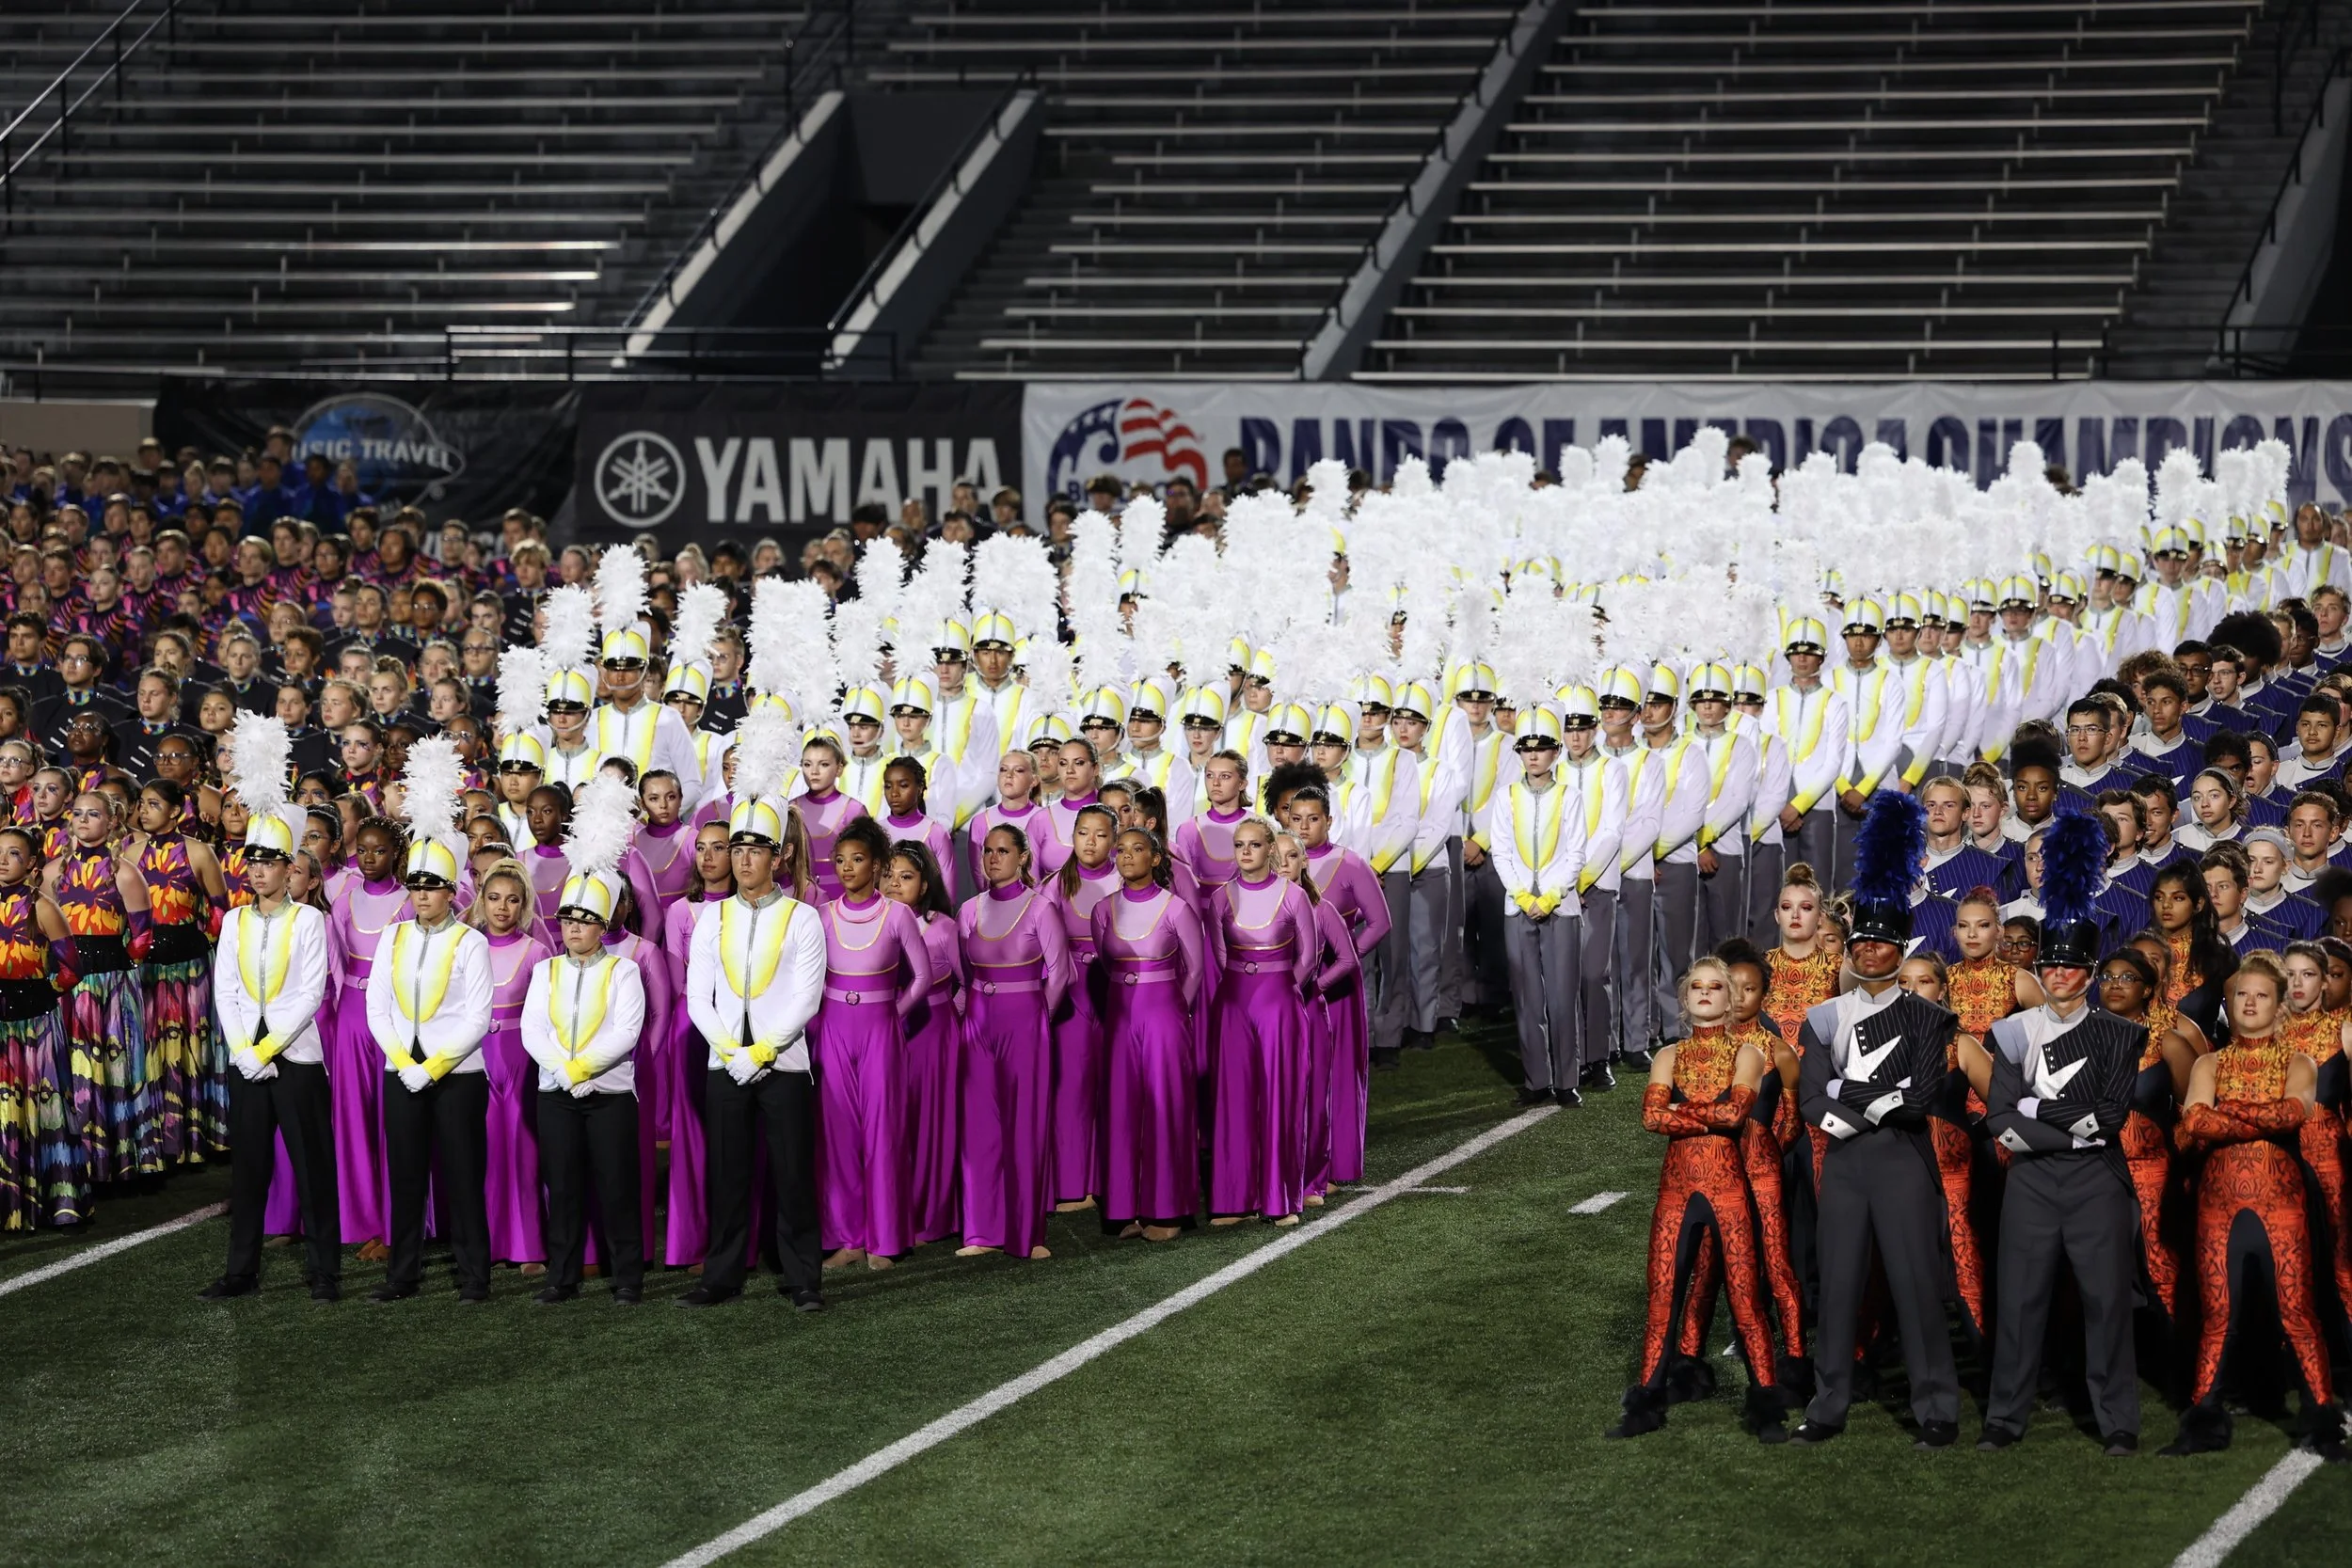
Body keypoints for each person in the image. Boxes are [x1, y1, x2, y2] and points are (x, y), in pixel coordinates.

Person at [1791, 792, 1963, 1448]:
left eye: (1882, 944)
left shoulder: (1929, 1016)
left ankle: (1937, 1407)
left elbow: (1920, 1095)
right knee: (1835, 1288)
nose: (1869, 952)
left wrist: (1848, 1094)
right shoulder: (1824, 1016)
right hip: (1846, 1163)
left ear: (1900, 949)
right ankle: (1828, 1402)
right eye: (1861, 942)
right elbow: (1810, 1097)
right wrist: (1863, 1102)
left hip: (1901, 1164)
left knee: (1917, 1286)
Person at [1977, 813, 2145, 1454]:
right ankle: (2005, 1417)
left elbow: (2109, 1117)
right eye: (2050, 964)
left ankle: (2118, 1421)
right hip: (2033, 1184)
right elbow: (1999, 1120)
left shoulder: (2121, 1032)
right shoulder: (2012, 1031)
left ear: (2092, 969)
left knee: (2106, 1303)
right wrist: (2064, 1126)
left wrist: (2038, 1116)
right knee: (2018, 1302)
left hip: (2096, 1183)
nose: (2058, 975)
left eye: (2072, 967)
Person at [2166, 954, 2345, 1456]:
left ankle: (2322, 1425)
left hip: (2281, 1202)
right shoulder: (2209, 1062)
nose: (2249, 1002)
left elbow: (2294, 1114)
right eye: (2242, 994)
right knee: (2218, 1314)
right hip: (2217, 1205)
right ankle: (2203, 1423)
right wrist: (2255, 1117)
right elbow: (2195, 1122)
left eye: (2261, 995)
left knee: (2299, 1314)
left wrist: (2231, 1113)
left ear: (2279, 1003)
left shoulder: (2298, 1061)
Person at [1606, 957, 1788, 1444]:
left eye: (1716, 987)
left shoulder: (1748, 1050)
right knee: (1662, 1300)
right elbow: (1650, 1118)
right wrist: (1705, 1113)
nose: (1706, 994)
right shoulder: (1668, 1055)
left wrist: (1682, 1110)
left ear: (1730, 1000)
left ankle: (1767, 1405)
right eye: (1697, 988)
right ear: (1685, 1000)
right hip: (1676, 1192)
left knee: (1747, 1302)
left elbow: (1736, 1116)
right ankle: (1645, 1404)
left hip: (1729, 1191)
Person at [681, 796, 829, 1310]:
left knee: (792, 1173)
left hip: (784, 1064)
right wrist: (730, 1051)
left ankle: (803, 1277)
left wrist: (762, 1050)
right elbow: (697, 996)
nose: (743, 859)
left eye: (756, 849)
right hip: (725, 1065)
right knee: (726, 1172)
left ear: (779, 856)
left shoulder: (803, 918)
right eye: (738, 848)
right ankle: (721, 1275)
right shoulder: (711, 917)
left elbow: (806, 999)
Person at [200, 815, 337, 1300]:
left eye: (269, 863)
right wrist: (242, 1050)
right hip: (246, 1062)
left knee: (312, 1164)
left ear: (288, 868)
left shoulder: (310, 920)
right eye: (253, 862)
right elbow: (225, 990)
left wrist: (265, 1048)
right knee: (250, 1168)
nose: (258, 871)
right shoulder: (235, 920)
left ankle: (324, 1271)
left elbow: (310, 993)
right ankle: (241, 1271)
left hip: (295, 1057)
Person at [365, 835, 495, 1303]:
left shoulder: (471, 941)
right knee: (404, 1177)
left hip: (458, 1078)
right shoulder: (392, 936)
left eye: (432, 886)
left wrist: (434, 1067)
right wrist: (404, 1064)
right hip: (401, 1075)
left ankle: (474, 1275)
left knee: (463, 1176)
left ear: (451, 891)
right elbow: (376, 1008)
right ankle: (402, 1275)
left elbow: (478, 1017)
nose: (421, 894)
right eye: (415, 885)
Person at [519, 864, 647, 1305]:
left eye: (585, 920)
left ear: (603, 926)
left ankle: (628, 1276)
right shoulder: (546, 970)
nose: (574, 928)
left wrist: (581, 1071)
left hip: (608, 1094)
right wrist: (563, 1073)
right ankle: (562, 1276)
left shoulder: (624, 971)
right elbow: (532, 1030)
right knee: (563, 1185)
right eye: (568, 920)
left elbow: (626, 1032)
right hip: (556, 1095)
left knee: (617, 1186)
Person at [812, 816, 930, 1271]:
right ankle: (848, 1237)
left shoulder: (897, 914)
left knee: (883, 1133)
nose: (846, 868)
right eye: (839, 860)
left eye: (857, 860)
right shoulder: (822, 915)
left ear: (878, 865)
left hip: (880, 1032)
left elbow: (921, 978)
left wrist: (891, 1016)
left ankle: (885, 1238)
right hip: (834, 1032)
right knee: (839, 1135)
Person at [958, 821, 1070, 1259]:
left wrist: (1036, 1021)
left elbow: (1060, 975)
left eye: (1003, 850)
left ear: (1023, 857)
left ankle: (1028, 1234)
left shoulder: (1040, 909)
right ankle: (981, 1231)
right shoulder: (969, 909)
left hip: (1025, 1023)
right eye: (988, 850)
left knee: (1024, 1127)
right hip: (978, 1027)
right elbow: (967, 977)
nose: (993, 857)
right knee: (979, 1127)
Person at [1093, 825, 1206, 1243]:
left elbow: (1195, 969)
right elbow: (1108, 964)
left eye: (1137, 849)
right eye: (1120, 849)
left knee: (1164, 1108)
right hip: (1121, 1017)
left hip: (1165, 1017)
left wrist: (1178, 1009)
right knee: (1122, 1110)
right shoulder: (1103, 909)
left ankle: (1167, 1209)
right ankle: (1126, 1208)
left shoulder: (1176, 908)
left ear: (1156, 859)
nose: (1125, 856)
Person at [1205, 817, 1317, 1226]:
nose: (1246, 851)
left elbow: (1309, 955)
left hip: (1279, 1005)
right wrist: (1243, 982)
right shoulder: (1220, 898)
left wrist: (1283, 988)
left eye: (1254, 844)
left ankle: (1279, 1199)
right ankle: (1235, 1199)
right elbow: (1219, 954)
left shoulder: (1293, 896)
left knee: (1278, 1098)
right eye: (1239, 845)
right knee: (1233, 1100)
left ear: (1270, 848)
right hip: (1234, 1004)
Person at [47, 788, 152, 1183]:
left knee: (111, 1070)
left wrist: (112, 980)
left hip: (109, 984)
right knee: (69, 1071)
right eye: (78, 814)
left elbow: (141, 938)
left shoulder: (124, 872)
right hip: (66, 988)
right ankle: (75, 1160)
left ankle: (115, 1159)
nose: (83, 820)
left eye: (93, 814)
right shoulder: (53, 872)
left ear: (111, 822)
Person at [1487, 705, 1588, 1105]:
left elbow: (1576, 854)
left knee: (1563, 996)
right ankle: (1536, 1081)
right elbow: (1501, 852)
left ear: (1556, 752)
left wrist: (1549, 897)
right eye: (1526, 748)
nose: (1533, 755)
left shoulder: (1570, 796)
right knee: (1527, 997)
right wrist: (1523, 896)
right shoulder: (1506, 796)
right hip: (1519, 908)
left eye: (1543, 747)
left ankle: (1566, 1081)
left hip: (1560, 909)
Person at [129, 779, 229, 1167]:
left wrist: (198, 942)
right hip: (147, 971)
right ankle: (156, 1139)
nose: (145, 810)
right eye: (141, 803)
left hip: (190, 970)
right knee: (151, 1047)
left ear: (175, 810)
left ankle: (195, 1136)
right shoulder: (131, 855)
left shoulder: (200, 852)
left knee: (192, 1049)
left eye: (154, 804)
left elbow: (220, 911)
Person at [323, 818, 411, 1255]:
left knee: (396, 1119)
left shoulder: (412, 902)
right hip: (353, 1018)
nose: (370, 858)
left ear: (396, 852)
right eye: (364, 850)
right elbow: (337, 966)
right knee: (355, 1120)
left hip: (398, 1015)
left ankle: (398, 1224)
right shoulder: (342, 903)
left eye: (380, 850)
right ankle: (362, 1220)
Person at [884, 840, 963, 1248]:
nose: (895, 884)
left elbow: (966, 985)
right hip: (886, 1033)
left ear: (925, 882)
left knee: (930, 1122)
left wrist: (950, 1018)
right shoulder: (875, 922)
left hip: (932, 1033)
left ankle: (931, 1215)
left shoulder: (944, 928)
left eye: (906, 877)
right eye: (889, 876)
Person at [0, 826, 79, 1229]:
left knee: (39, 1111)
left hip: (34, 1028)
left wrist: (38, 994)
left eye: (13, 853)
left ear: (32, 863)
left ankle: (49, 1201)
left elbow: (71, 968)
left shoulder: (42, 906)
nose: (2, 860)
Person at [1043, 801, 1118, 1213]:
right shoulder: (1055, 885)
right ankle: (1073, 1183)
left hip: (1115, 996)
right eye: (1083, 833)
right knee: (1071, 1090)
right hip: (1072, 998)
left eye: (1101, 834)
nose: (1091, 842)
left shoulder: (1127, 880)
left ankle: (1108, 1179)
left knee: (1111, 1088)